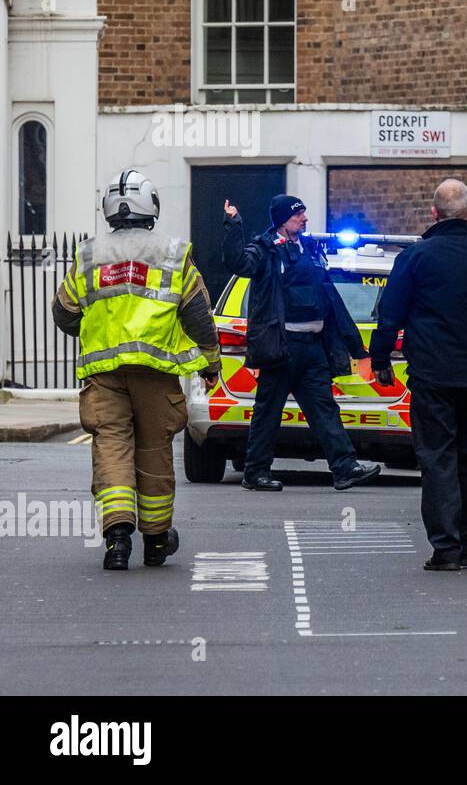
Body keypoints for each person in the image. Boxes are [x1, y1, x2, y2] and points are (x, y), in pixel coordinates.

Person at [52, 170, 220, 570]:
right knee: (154, 449)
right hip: (156, 374)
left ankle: (116, 540)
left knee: (111, 447)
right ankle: (158, 541)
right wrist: (210, 363)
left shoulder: (88, 255)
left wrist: (95, 324)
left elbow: (64, 313)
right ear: (152, 205)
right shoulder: (174, 254)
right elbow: (198, 315)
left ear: (108, 209)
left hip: (104, 375)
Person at [370, 179, 467, 571]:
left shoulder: (415, 258)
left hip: (431, 374)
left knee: (437, 458)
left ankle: (446, 548)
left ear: (433, 213)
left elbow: (390, 313)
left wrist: (380, 358)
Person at [222, 194, 379, 493]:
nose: (304, 219)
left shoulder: (309, 249)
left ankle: (345, 468)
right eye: (298, 215)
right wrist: (233, 225)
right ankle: (255, 472)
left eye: (304, 214)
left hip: (312, 347)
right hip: (282, 347)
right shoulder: (265, 249)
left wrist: (356, 348)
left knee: (324, 409)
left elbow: (331, 300)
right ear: (282, 219)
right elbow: (237, 262)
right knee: (268, 411)